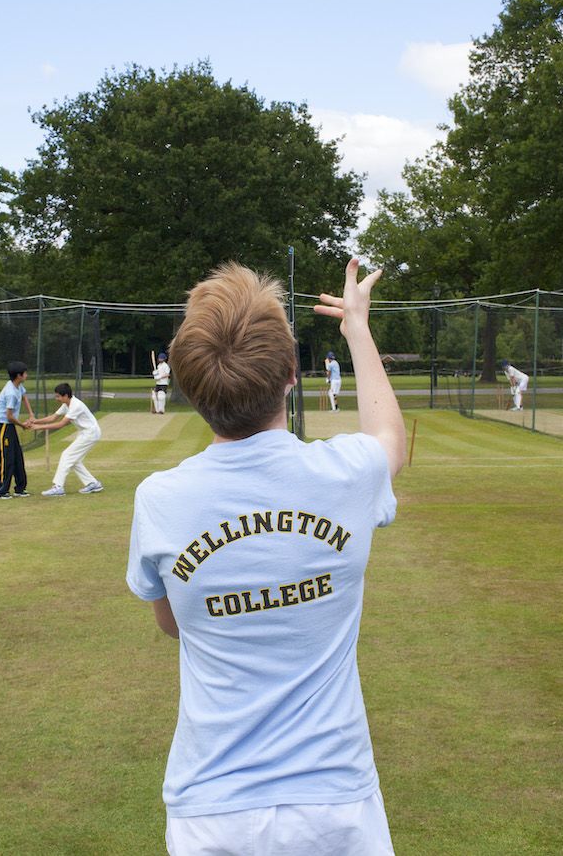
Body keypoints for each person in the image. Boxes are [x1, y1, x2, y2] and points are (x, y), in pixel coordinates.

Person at [127, 259, 405, 855]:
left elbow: (172, 623)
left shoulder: (161, 501)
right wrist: (356, 327)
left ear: (186, 386)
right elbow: (392, 443)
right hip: (337, 806)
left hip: (212, 811)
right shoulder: (346, 472)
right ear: (292, 375)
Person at [30, 382, 104, 496]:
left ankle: (58, 487)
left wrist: (39, 427)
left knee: (67, 455)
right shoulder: (66, 404)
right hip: (85, 433)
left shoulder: (76, 406)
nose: (57, 399)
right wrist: (35, 421)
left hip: (90, 433)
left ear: (65, 396)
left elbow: (61, 424)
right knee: (74, 460)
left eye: (58, 396)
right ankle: (93, 483)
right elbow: (53, 417)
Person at [0, 360, 37, 500]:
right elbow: (9, 416)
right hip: (3, 426)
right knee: (8, 459)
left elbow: (24, 397)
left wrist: (31, 414)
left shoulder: (18, 386)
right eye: (25, 373)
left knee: (18, 456)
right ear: (19, 375)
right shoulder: (10, 392)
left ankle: (20, 488)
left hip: (9, 426)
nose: (27, 375)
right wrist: (23, 425)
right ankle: (2, 491)